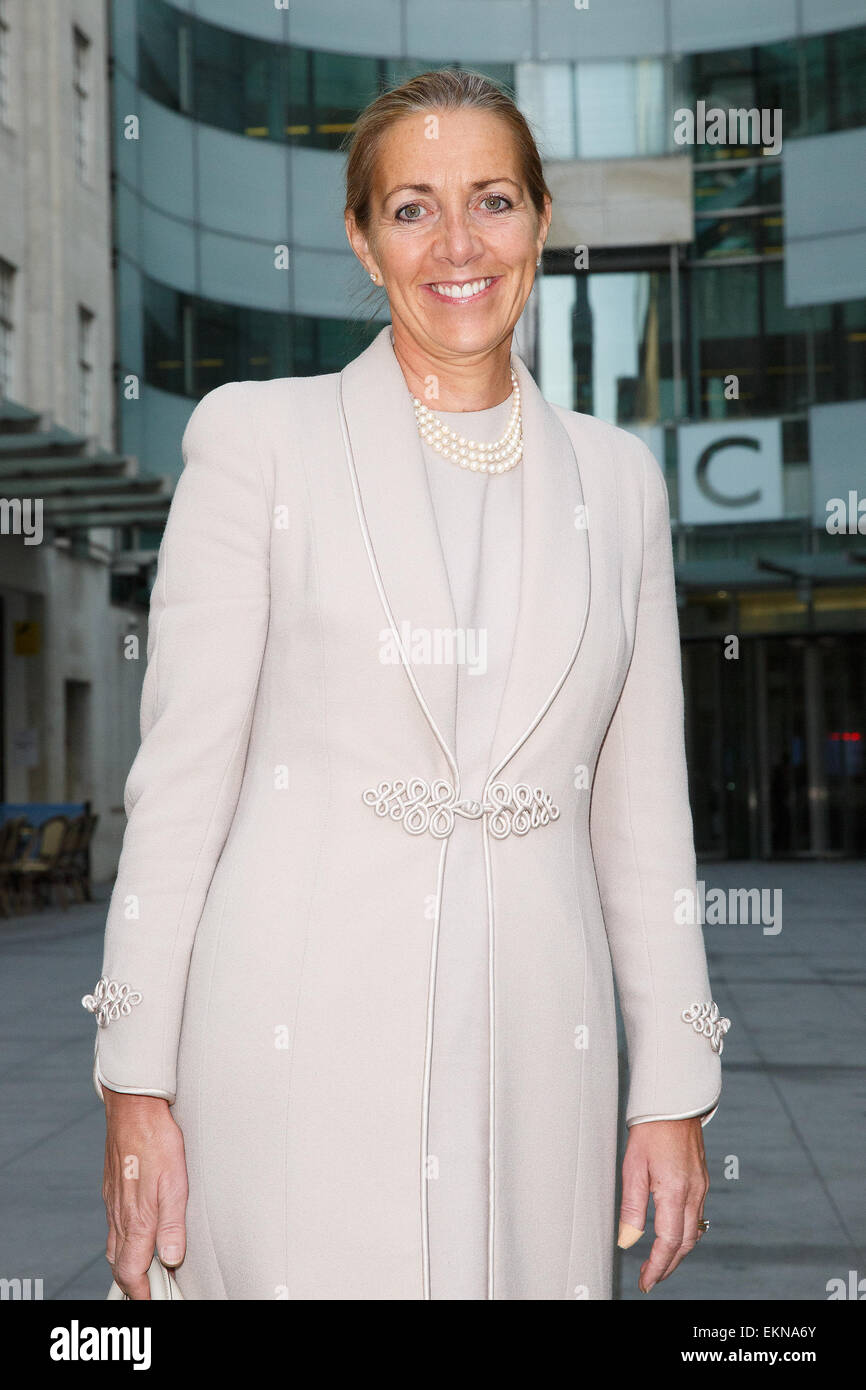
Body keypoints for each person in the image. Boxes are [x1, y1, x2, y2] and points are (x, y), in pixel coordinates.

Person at [85, 69, 730, 1301]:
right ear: (362, 238)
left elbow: (643, 822)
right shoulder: (257, 441)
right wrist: (135, 1081)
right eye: (411, 207)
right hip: (288, 1029)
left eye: (491, 200)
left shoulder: (619, 482)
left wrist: (672, 1090)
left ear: (540, 221)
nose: (457, 244)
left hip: (540, 1050)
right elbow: (176, 795)